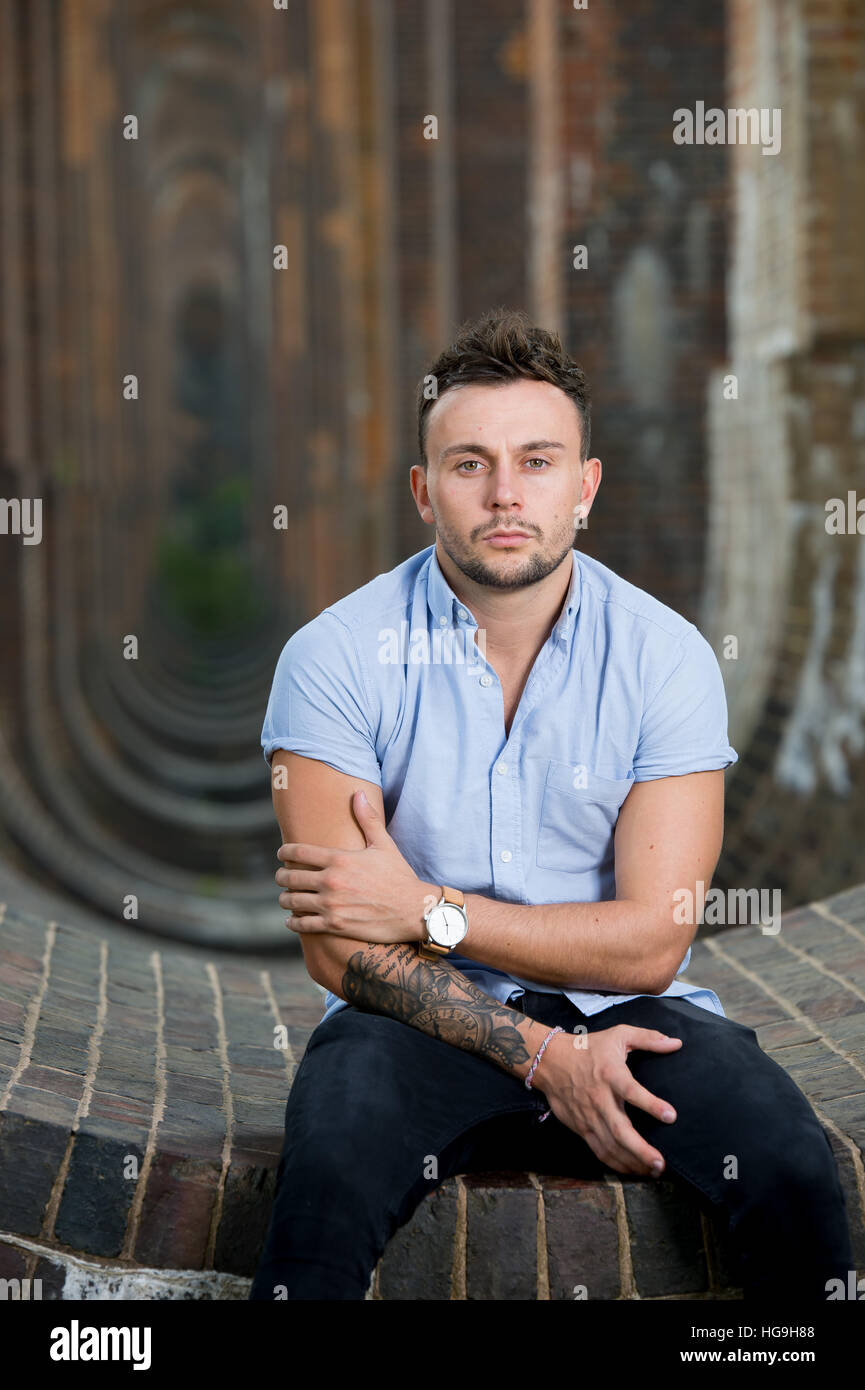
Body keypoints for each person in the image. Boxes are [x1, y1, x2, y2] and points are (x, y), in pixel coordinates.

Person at [249, 307, 853, 1301]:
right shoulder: (335, 657)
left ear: (585, 486)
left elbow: (650, 943)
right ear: (422, 490)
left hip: (630, 1014)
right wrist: (543, 1056)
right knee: (324, 1181)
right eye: (468, 463)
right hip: (410, 1024)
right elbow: (345, 948)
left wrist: (428, 911)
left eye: (536, 461)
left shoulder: (665, 658)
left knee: (787, 1167)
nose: (503, 495)